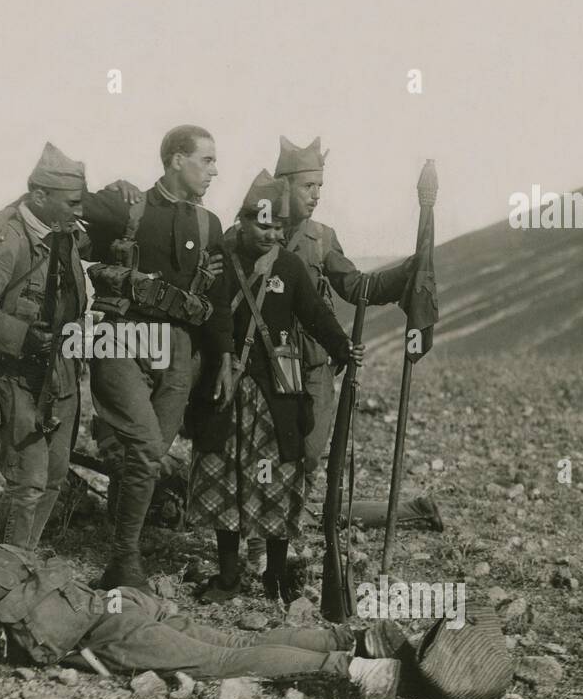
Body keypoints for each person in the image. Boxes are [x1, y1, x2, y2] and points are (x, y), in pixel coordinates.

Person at [0, 494, 405, 699]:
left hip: (106, 631)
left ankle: (353, 668)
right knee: (235, 640)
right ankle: (351, 639)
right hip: (125, 605)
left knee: (220, 664)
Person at [187, 171, 360, 604]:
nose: (271, 234)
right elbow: (212, 316)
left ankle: (276, 577)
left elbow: (315, 313)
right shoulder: (221, 259)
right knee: (223, 479)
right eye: (263, 224)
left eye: (278, 227)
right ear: (243, 220)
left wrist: (342, 347)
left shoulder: (290, 266)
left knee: (278, 485)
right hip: (225, 390)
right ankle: (228, 577)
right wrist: (224, 355)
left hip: (277, 394)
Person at [78, 125, 232, 591]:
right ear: (175, 160)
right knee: (145, 450)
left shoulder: (209, 226)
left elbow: (219, 299)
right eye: (206, 160)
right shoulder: (128, 206)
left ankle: (120, 509)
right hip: (123, 337)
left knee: (152, 451)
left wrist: (222, 357)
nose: (214, 170)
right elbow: (60, 199)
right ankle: (124, 559)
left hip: (178, 349)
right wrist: (98, 191)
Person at [272, 135, 443, 532]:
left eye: (320, 187)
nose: (315, 195)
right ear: (283, 184)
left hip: (313, 358)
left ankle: (290, 520)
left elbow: (358, 288)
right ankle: (267, 533)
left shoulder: (323, 238)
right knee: (273, 447)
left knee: (311, 452)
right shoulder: (258, 228)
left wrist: (407, 271)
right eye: (306, 186)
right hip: (269, 356)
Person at [0, 143, 88, 549]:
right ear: (41, 197)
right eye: (72, 202)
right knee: (26, 483)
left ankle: (21, 559)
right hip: (17, 377)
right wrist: (23, 337)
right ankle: (5, 570)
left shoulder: (64, 231)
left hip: (61, 376)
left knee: (53, 478)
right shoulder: (9, 239)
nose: (80, 209)